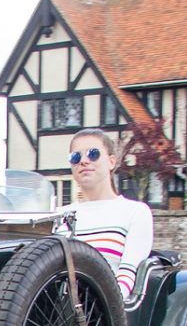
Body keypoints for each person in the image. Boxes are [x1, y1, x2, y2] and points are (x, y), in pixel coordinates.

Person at [64, 128, 154, 298]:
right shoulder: (59, 215)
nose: (83, 161)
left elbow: (128, 273)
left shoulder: (135, 212)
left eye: (93, 154)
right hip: (56, 306)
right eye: (75, 157)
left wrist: (108, 306)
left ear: (111, 162)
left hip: (106, 305)